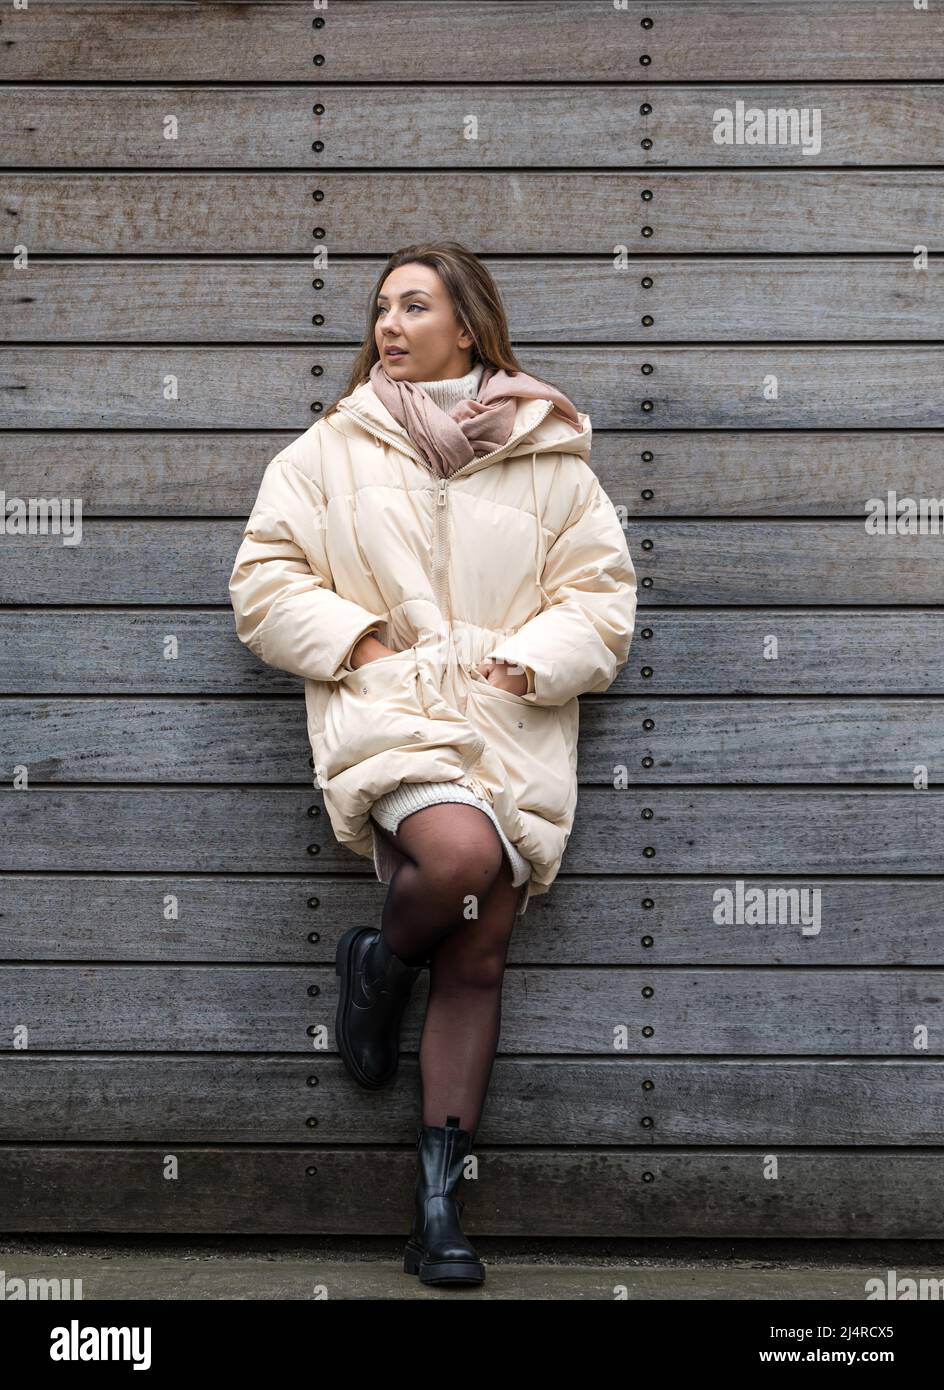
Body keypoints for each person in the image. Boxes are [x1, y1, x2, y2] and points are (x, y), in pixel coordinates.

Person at [228, 240, 637, 1286]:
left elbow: (599, 599)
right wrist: (358, 641)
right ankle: (377, 964)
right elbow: (263, 579)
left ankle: (438, 1212)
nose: (388, 325)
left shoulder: (551, 458)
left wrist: (528, 661)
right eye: (379, 309)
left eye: (413, 306)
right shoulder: (326, 453)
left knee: (481, 949)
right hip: (397, 716)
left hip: (508, 723)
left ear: (468, 325)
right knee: (454, 861)